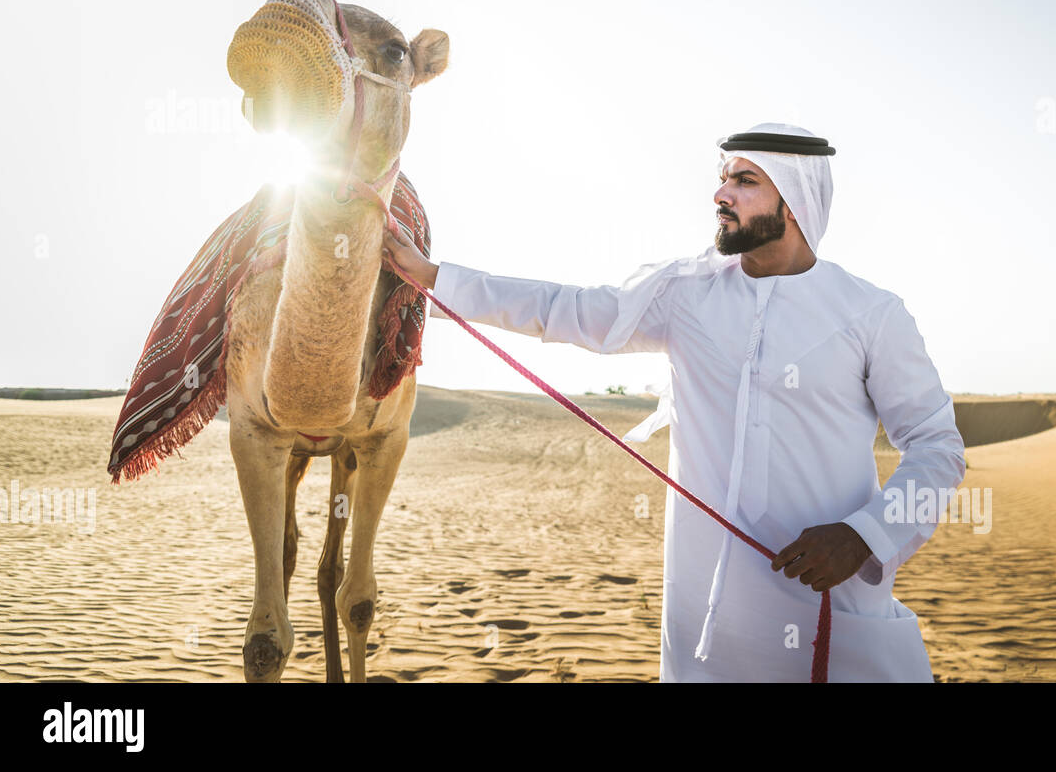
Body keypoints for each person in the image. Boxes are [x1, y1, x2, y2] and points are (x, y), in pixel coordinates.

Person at [381, 122, 966, 682]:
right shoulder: (686, 295)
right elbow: (566, 308)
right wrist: (434, 276)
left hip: (830, 612)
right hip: (707, 627)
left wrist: (864, 535)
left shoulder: (871, 314)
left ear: (794, 201)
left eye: (744, 181)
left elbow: (937, 446)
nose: (720, 193)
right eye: (724, 177)